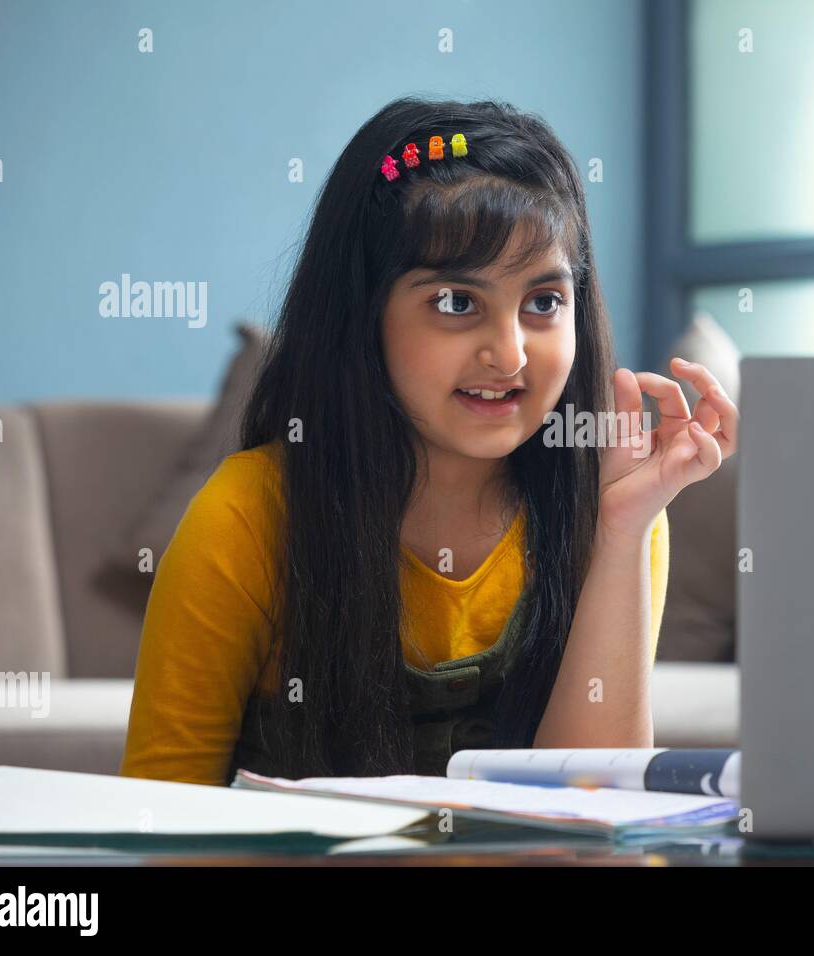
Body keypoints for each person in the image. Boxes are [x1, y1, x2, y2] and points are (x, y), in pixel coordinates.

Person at [119, 96, 738, 785]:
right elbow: (162, 817)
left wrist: (621, 531)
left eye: (543, 303)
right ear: (365, 315)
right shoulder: (248, 515)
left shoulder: (618, 509)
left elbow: (592, 813)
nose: (509, 355)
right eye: (456, 303)